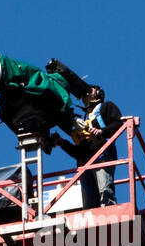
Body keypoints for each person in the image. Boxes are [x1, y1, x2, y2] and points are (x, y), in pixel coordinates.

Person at [45, 61, 123, 208]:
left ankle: (107, 209)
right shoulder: (83, 120)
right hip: (85, 161)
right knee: (88, 201)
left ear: (98, 94)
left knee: (104, 191)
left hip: (101, 155)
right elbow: (78, 151)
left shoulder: (106, 107)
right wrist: (63, 143)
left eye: (91, 89)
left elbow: (118, 124)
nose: (87, 91)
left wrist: (102, 131)